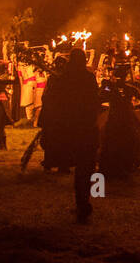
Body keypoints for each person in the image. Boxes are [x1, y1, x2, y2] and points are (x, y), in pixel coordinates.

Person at [41, 49, 103, 222]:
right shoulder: (87, 78)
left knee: (80, 168)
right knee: (86, 168)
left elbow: (54, 101)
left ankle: (82, 203)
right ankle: (85, 202)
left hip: (71, 127)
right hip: (84, 127)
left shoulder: (62, 79)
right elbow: (93, 100)